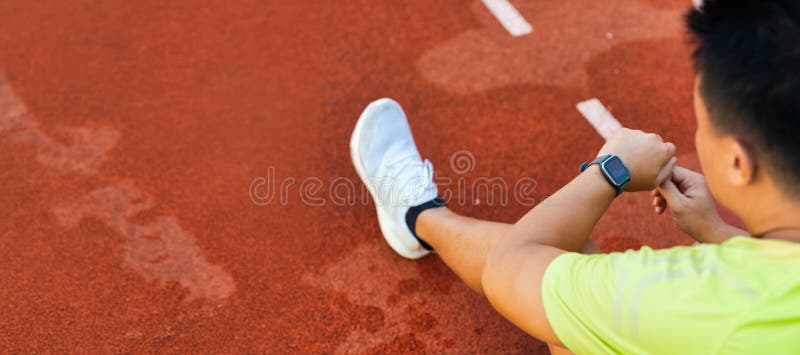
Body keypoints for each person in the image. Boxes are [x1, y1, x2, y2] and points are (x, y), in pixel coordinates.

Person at [349, 0, 800, 353]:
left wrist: (610, 171)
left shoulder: (697, 299)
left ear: (737, 163)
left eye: (704, 124)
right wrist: (716, 233)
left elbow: (509, 267)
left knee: (565, 254)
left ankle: (416, 216)